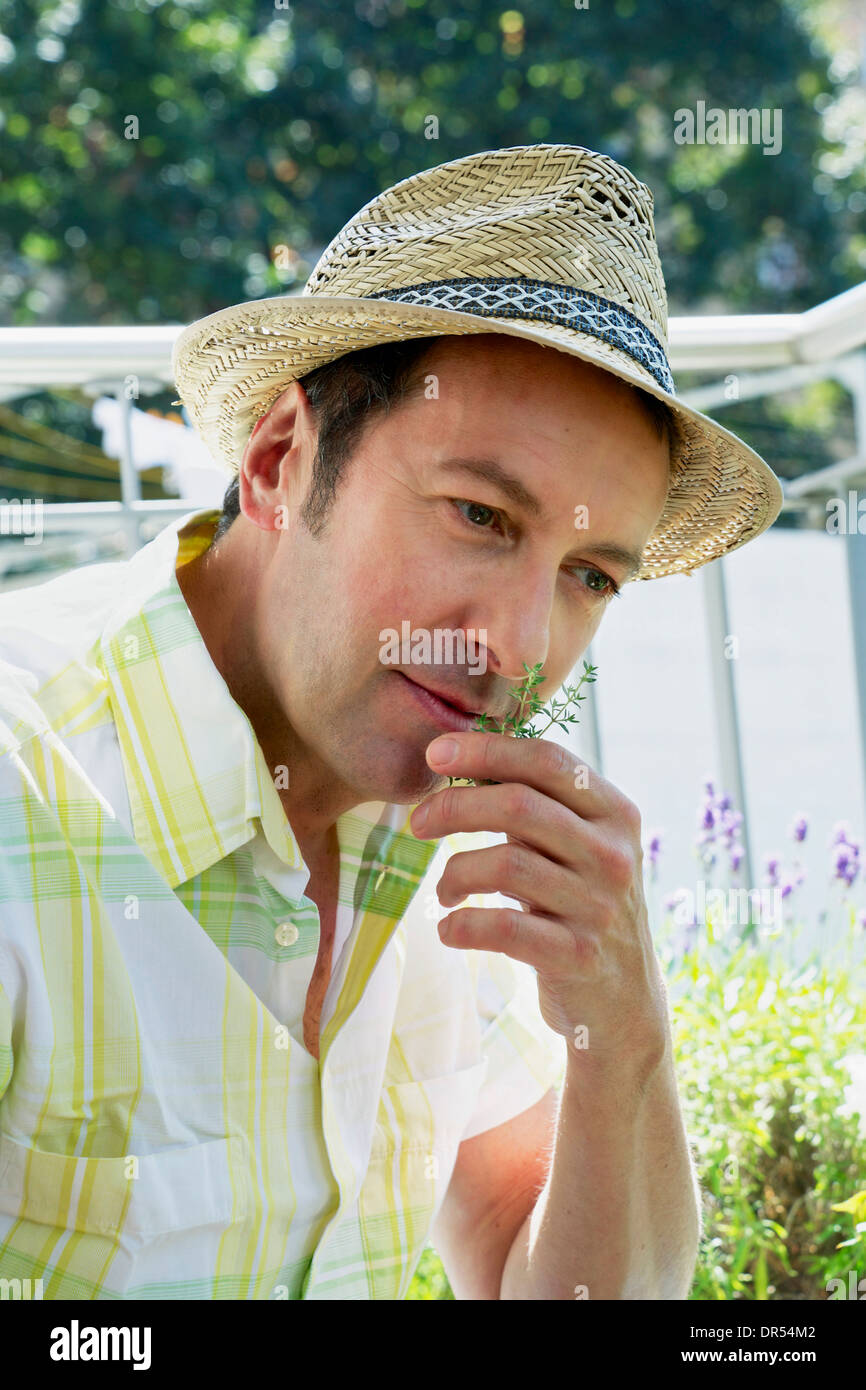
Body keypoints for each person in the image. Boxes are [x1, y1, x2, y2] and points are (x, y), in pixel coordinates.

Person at [0, 143, 782, 1300]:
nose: (518, 646)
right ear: (278, 459)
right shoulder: (27, 783)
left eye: (590, 577)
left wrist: (621, 1040)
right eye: (479, 514)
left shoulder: (458, 826)